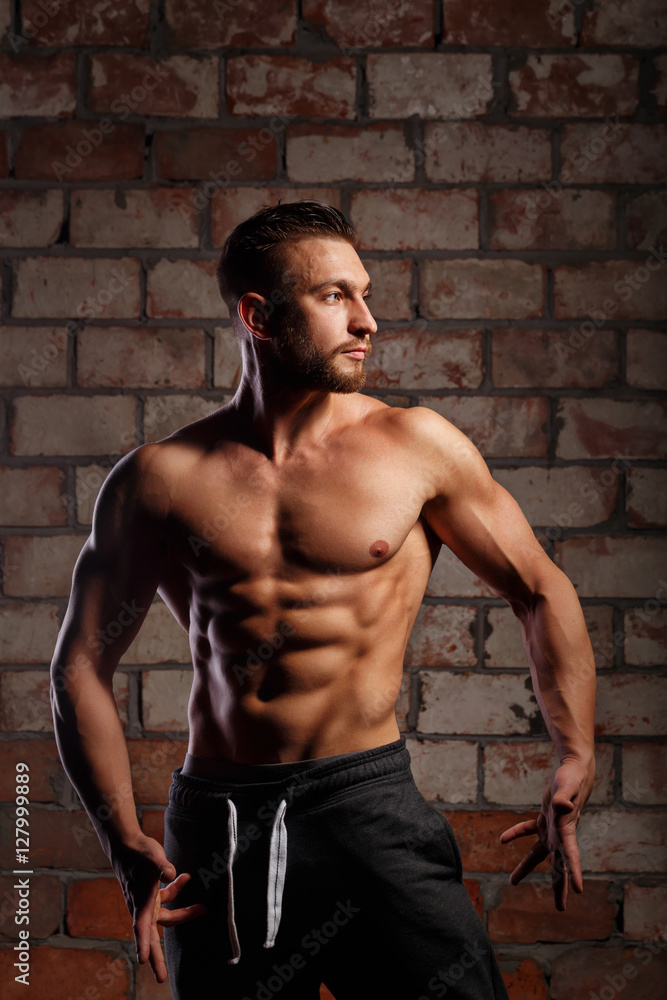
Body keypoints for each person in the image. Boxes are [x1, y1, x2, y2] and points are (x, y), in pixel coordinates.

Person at [50, 201, 596, 1000]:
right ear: (258, 316)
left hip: (364, 805)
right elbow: (80, 666)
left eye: (365, 293)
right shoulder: (160, 479)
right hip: (219, 821)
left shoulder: (416, 448)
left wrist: (574, 749)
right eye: (336, 296)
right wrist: (120, 833)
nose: (367, 320)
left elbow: (538, 587)